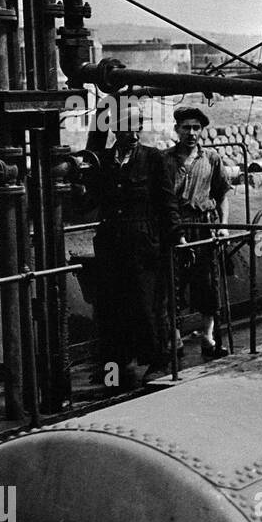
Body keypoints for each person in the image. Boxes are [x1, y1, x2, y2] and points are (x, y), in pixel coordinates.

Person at [92, 106, 180, 386]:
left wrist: (176, 235)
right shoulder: (104, 161)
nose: (134, 132)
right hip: (111, 241)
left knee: (146, 303)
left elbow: (167, 201)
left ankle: (157, 359)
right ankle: (116, 366)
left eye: (137, 125)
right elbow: (93, 199)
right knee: (113, 304)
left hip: (143, 241)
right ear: (115, 129)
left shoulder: (153, 158)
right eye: (128, 126)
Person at [162, 106, 231, 358]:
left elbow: (223, 193)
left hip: (203, 226)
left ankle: (208, 338)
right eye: (186, 128)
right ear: (177, 130)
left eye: (196, 128)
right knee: (173, 284)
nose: (191, 133)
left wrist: (223, 226)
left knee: (207, 284)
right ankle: (175, 339)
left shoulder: (211, 159)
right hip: (174, 225)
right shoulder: (165, 160)